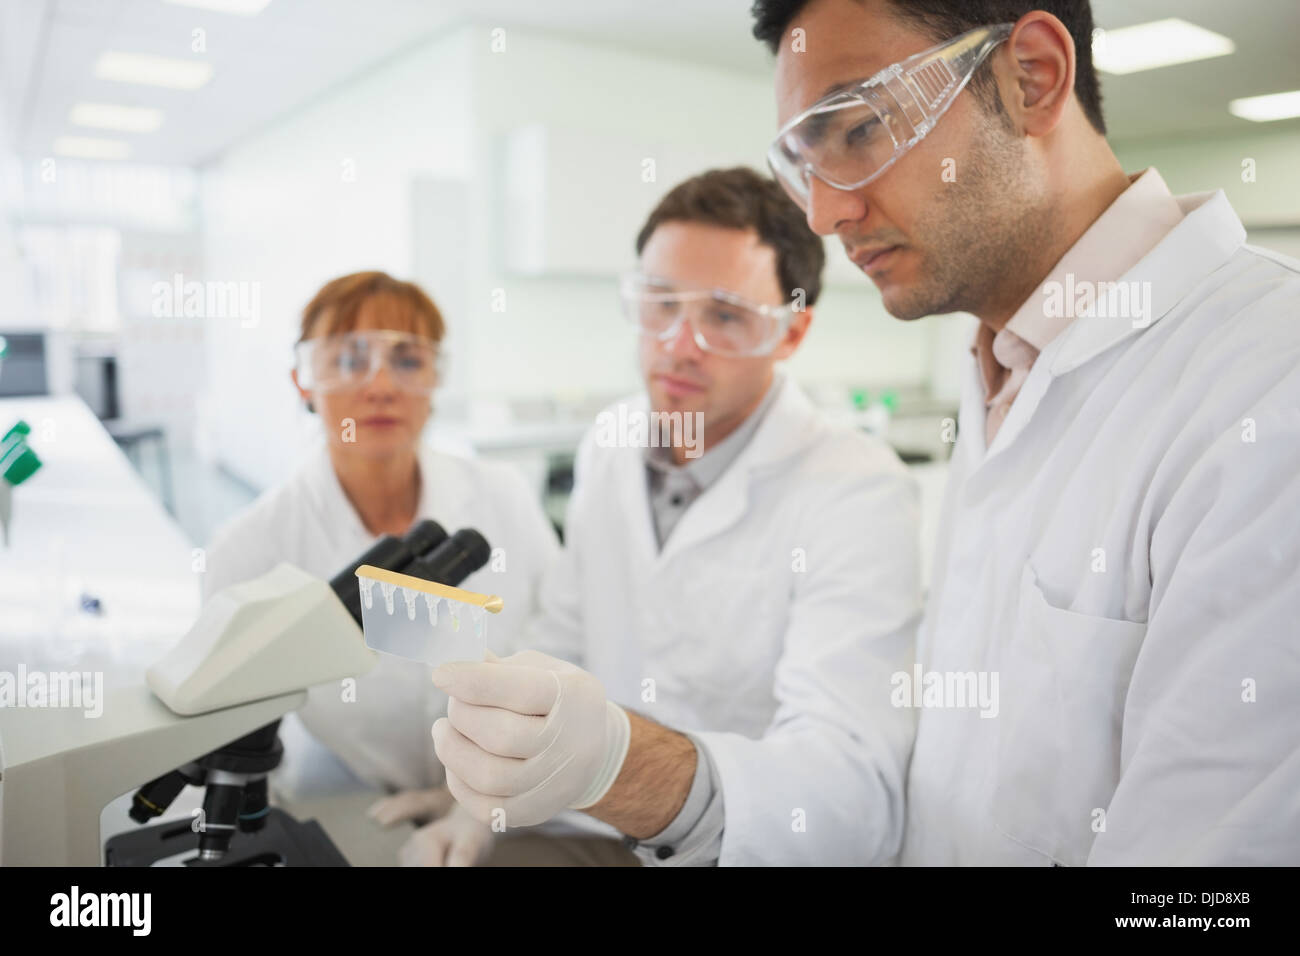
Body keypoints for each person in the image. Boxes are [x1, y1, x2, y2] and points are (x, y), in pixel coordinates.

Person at [432, 0, 1300, 866]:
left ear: (1031, 76)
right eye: (803, 162)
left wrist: (621, 768)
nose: (822, 214)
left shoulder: (1267, 382)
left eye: (857, 129)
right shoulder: (1004, 366)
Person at [431, 167, 923, 866]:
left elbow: (850, 792)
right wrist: (480, 803)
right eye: (660, 303)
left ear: (790, 332)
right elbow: (564, 633)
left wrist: (619, 768)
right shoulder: (611, 440)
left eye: (724, 315)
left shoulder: (858, 491)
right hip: (587, 832)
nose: (678, 343)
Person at [201, 270, 559, 866]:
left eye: (408, 361)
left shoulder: (503, 497)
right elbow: (236, 736)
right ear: (303, 380)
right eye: (348, 360)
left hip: (521, 803)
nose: (381, 386)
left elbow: (559, 640)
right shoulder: (250, 550)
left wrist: (485, 794)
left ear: (436, 380)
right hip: (361, 808)